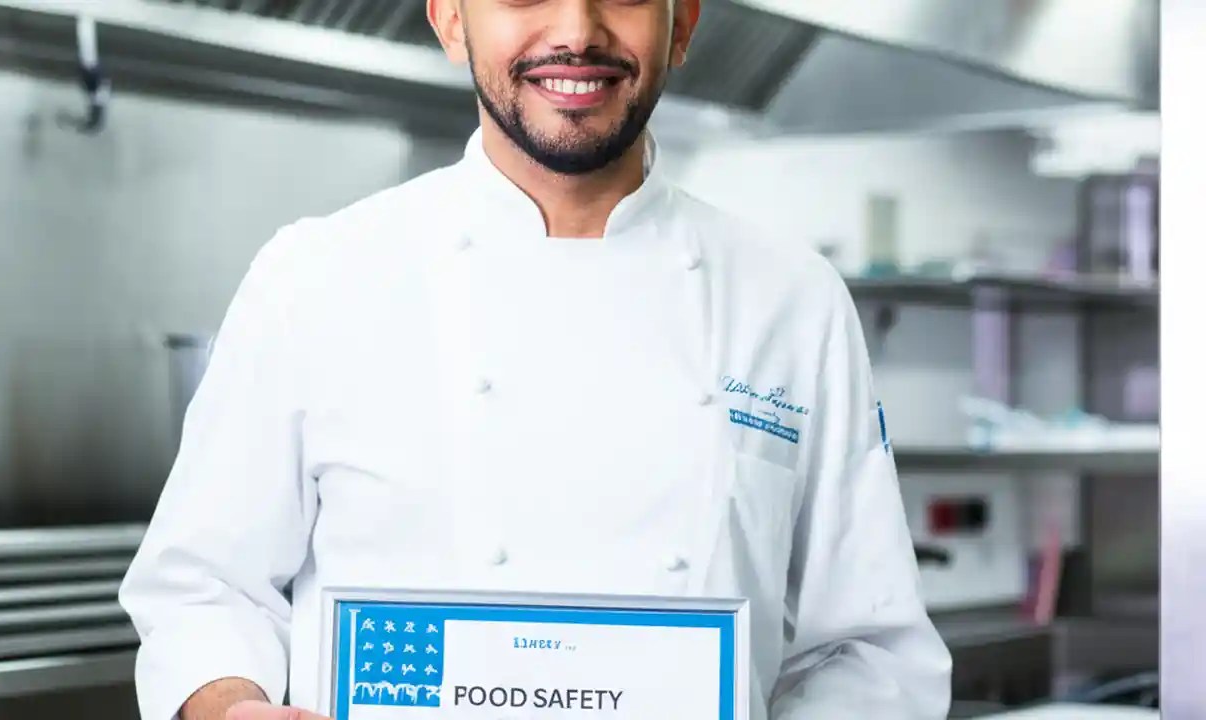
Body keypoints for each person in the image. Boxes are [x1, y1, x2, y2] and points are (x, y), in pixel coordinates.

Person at [119, 0, 952, 718]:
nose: (576, 31)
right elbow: (204, 588)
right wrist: (231, 704)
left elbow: (871, 649)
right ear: (450, 18)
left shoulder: (792, 298)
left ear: (684, 23)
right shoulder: (315, 278)